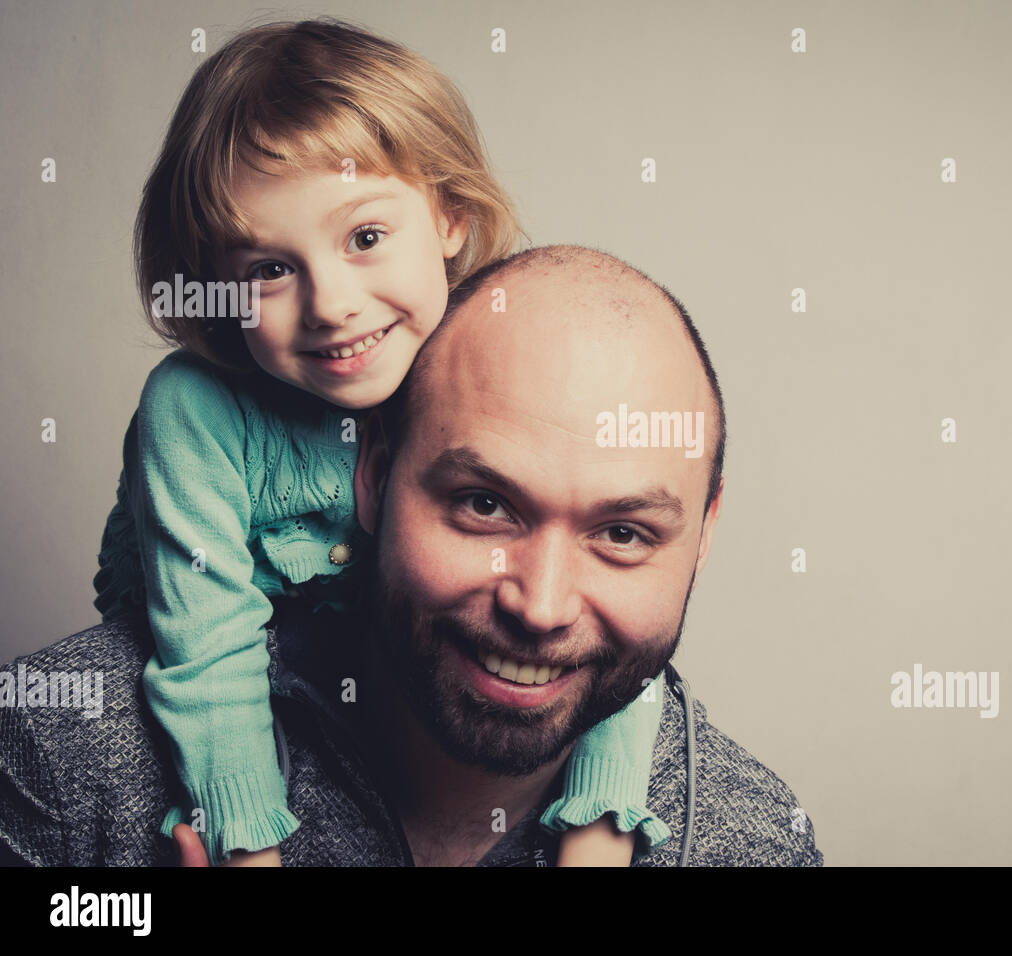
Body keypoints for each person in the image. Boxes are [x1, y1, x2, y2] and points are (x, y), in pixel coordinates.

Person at [0, 246, 824, 867]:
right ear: (375, 473)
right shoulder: (66, 750)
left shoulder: (748, 841)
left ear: (704, 537)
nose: (540, 606)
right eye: (485, 505)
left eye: (623, 535)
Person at [89, 18, 663, 867]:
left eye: (365, 239)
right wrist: (246, 848)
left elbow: (599, 603)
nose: (331, 304)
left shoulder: (483, 360)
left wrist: (596, 832)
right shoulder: (195, 409)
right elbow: (207, 650)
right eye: (269, 269)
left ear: (452, 219)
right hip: (208, 663)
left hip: (382, 667)